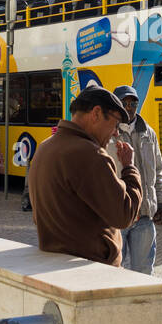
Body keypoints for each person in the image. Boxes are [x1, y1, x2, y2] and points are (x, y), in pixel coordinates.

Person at [27, 85, 141, 266]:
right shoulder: (90, 154)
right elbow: (124, 215)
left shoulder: (45, 147)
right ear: (96, 113)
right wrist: (129, 168)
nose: (116, 133)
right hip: (90, 268)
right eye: (115, 123)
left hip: (56, 261)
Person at [112, 84, 162, 275]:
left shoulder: (148, 134)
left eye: (133, 103)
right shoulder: (109, 134)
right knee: (115, 271)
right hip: (118, 216)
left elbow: (157, 172)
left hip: (145, 216)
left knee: (144, 272)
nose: (129, 107)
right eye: (124, 103)